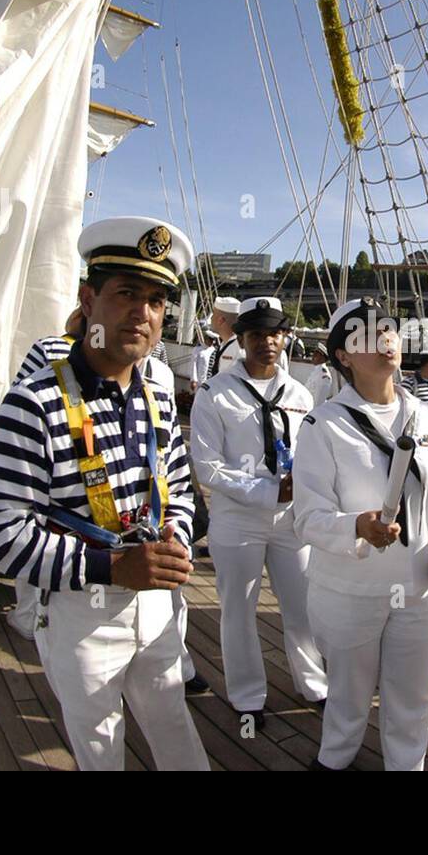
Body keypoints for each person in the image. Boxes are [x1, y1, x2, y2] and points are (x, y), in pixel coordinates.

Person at [0, 215, 209, 771]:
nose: (143, 312)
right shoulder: (33, 402)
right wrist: (110, 567)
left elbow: (176, 485)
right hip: (83, 612)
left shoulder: (157, 396)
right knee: (99, 751)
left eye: (156, 300)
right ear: (88, 298)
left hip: (156, 608)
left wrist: (174, 534)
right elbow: (1, 532)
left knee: (173, 724)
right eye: (127, 293)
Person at [294, 297, 428, 770]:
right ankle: (335, 759)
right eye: (366, 335)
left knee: (411, 695)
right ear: (342, 356)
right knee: (347, 693)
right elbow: (306, 517)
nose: (384, 340)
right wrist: (357, 527)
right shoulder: (323, 426)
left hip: (417, 588)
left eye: (388, 330)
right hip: (351, 589)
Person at [189, 296, 327, 727]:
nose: (266, 342)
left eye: (274, 333)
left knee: (302, 605)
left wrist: (301, 488)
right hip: (237, 519)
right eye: (256, 334)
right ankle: (247, 694)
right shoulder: (215, 395)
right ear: (241, 339)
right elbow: (207, 465)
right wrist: (266, 490)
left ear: (285, 338)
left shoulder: (301, 394)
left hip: (290, 520)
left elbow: (312, 455)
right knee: (238, 609)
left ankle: (313, 684)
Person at [306, 341, 338, 407]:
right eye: (314, 353)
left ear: (323, 358)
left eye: (316, 354)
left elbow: (319, 401)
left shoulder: (324, 376)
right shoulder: (316, 371)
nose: (313, 356)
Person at [189, 327, 218, 394]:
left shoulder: (214, 350)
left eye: (213, 340)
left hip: (210, 381)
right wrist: (193, 380)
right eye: (210, 340)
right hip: (199, 382)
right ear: (206, 338)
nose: (212, 342)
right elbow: (193, 365)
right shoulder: (197, 349)